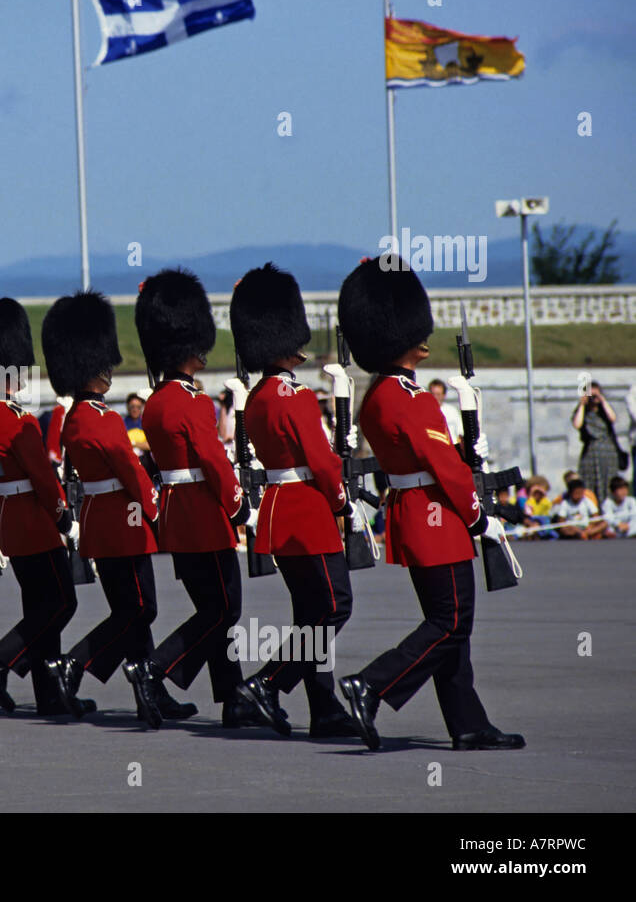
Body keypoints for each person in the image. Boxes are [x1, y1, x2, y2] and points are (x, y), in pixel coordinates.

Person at [336, 254, 524, 752]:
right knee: (452, 623)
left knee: (449, 626)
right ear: (399, 334)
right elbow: (440, 468)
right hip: (437, 518)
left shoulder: (379, 395)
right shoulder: (411, 398)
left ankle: (468, 723)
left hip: (414, 514)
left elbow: (429, 455)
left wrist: (466, 452)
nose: (425, 337)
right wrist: (479, 515)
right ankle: (371, 685)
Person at [134, 269, 266, 729]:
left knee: (214, 609)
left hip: (175, 512)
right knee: (224, 609)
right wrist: (238, 505)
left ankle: (232, 698)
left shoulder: (155, 401)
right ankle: (155, 669)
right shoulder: (192, 401)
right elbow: (212, 459)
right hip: (204, 513)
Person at [228, 264, 356, 739]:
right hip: (307, 508)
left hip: (282, 508)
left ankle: (323, 708)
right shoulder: (294, 394)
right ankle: (266, 683)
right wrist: (342, 499)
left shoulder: (260, 394)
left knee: (311, 611)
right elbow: (320, 461)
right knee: (334, 606)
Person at [39, 291, 175, 727]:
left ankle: (150, 691)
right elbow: (132, 473)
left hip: (102, 521)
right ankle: (75, 664)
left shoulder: (76, 415)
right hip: (124, 521)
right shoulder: (103, 417)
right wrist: (155, 510)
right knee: (140, 609)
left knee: (129, 610)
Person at [0, 295, 84, 716]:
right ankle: (0, 660)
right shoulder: (16, 420)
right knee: (63, 601)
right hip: (34, 519)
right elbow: (42, 478)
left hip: (10, 521)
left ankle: (51, 695)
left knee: (41, 606)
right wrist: (63, 515)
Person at [573, 382, 623, 502]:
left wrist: (602, 400)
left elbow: (613, 418)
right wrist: (582, 404)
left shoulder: (604, 411)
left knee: (608, 481)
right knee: (590, 481)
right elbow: (577, 424)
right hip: (591, 451)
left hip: (607, 451)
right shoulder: (584, 412)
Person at [428, 379, 463, 452]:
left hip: (453, 449)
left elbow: (460, 433)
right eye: (433, 394)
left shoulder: (452, 411)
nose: (435, 397)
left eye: (438, 394)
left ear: (444, 395)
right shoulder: (425, 412)